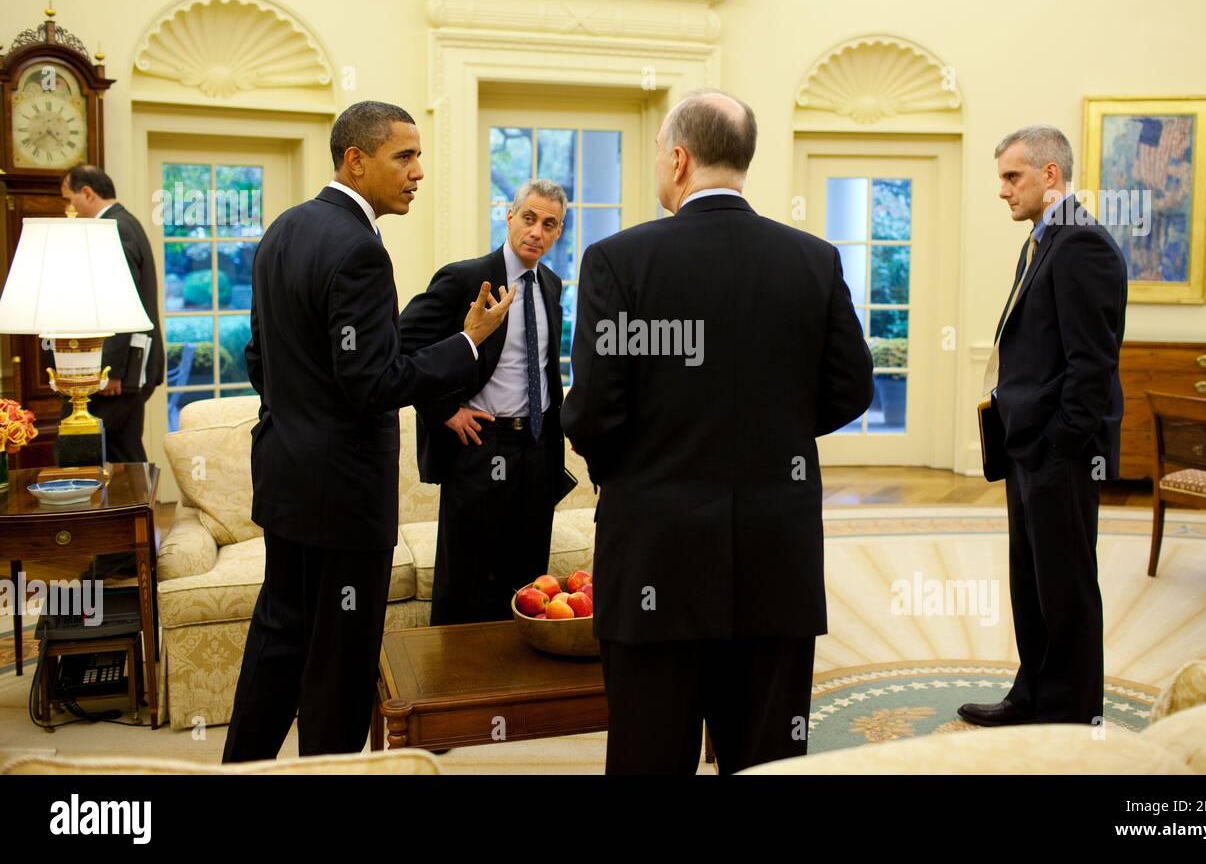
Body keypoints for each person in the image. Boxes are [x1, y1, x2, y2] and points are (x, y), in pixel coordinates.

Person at [562, 90, 874, 774]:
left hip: (656, 555)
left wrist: (637, 463)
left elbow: (593, 412)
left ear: (678, 159)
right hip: (777, 556)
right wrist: (777, 431)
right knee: (767, 760)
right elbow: (854, 388)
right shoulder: (813, 259)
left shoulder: (618, 260)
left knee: (650, 757)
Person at [222, 101, 515, 761]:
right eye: (403, 156)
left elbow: (258, 358)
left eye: (419, 156)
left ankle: (242, 771)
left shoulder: (285, 228)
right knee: (342, 659)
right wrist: (467, 344)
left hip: (286, 477)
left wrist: (302, 420)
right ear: (355, 160)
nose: (418, 172)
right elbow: (372, 384)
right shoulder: (357, 248)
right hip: (343, 496)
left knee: (279, 636)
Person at [960, 125, 1127, 728]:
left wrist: (1060, 446)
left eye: (1013, 177)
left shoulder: (1081, 244)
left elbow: (1092, 366)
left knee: (1067, 589)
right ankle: (1032, 696)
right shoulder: (1042, 240)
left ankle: (1072, 718)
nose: (1003, 190)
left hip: (1061, 452)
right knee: (1032, 581)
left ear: (1050, 174)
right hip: (1028, 446)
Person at [399, 179, 568, 625]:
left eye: (549, 224)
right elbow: (401, 349)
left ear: (558, 232)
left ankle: (520, 685)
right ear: (509, 217)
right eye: (529, 218)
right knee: (467, 584)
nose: (536, 231)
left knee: (531, 588)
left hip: (536, 450)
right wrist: (442, 411)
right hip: (480, 449)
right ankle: (456, 688)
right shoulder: (464, 278)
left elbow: (547, 368)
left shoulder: (551, 285)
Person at [60, 165, 162, 462]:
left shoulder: (113, 228)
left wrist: (111, 371)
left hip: (120, 371)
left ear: (88, 193)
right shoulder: (125, 222)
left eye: (69, 199)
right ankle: (138, 509)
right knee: (125, 452)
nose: (70, 208)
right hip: (132, 365)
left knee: (77, 452)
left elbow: (121, 301)